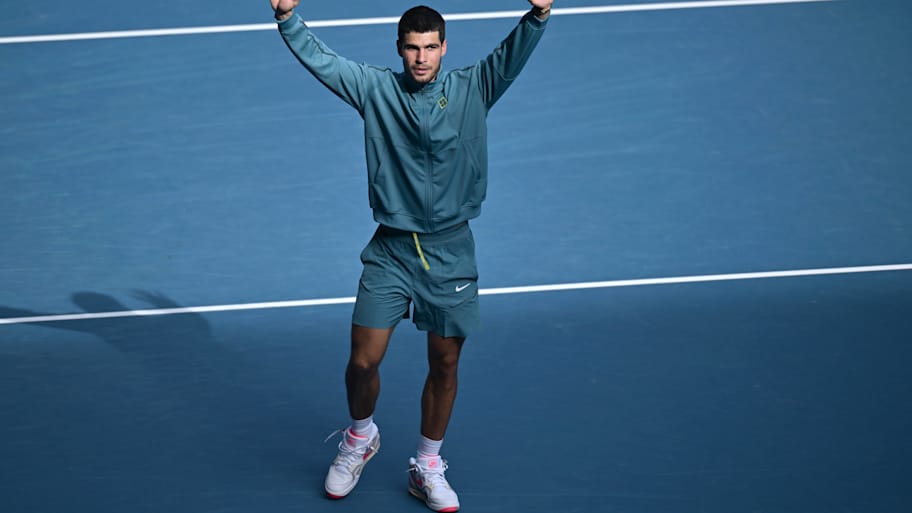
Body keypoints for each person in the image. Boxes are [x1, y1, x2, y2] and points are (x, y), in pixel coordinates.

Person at [269, 1, 552, 511]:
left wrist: (537, 16)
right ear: (399, 49)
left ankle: (427, 463)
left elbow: (512, 55)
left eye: (429, 48)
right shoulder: (375, 88)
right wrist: (288, 19)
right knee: (362, 361)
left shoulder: (475, 87)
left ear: (444, 48)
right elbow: (324, 61)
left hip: (450, 252)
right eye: (411, 48)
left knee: (444, 363)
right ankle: (360, 438)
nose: (421, 58)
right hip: (391, 251)